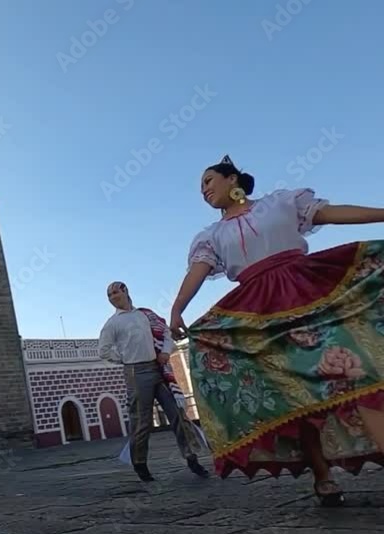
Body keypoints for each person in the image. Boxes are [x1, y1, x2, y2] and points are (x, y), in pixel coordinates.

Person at [170, 155, 384, 506]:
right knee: (293, 391)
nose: (203, 190)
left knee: (358, 369)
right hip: (257, 309)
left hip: (309, 288)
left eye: (208, 180)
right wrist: (177, 308)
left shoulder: (280, 203)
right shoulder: (212, 236)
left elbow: (332, 213)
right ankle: (322, 474)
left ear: (232, 179)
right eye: (200, 187)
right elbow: (197, 271)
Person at [99, 281, 209, 482]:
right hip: (136, 372)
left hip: (158, 368)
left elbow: (165, 333)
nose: (112, 297)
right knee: (141, 420)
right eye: (109, 295)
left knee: (177, 414)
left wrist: (165, 352)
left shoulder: (145, 315)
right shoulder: (112, 324)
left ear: (125, 291)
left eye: (115, 292)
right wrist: (125, 358)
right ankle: (140, 463)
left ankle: (192, 458)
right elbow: (103, 351)